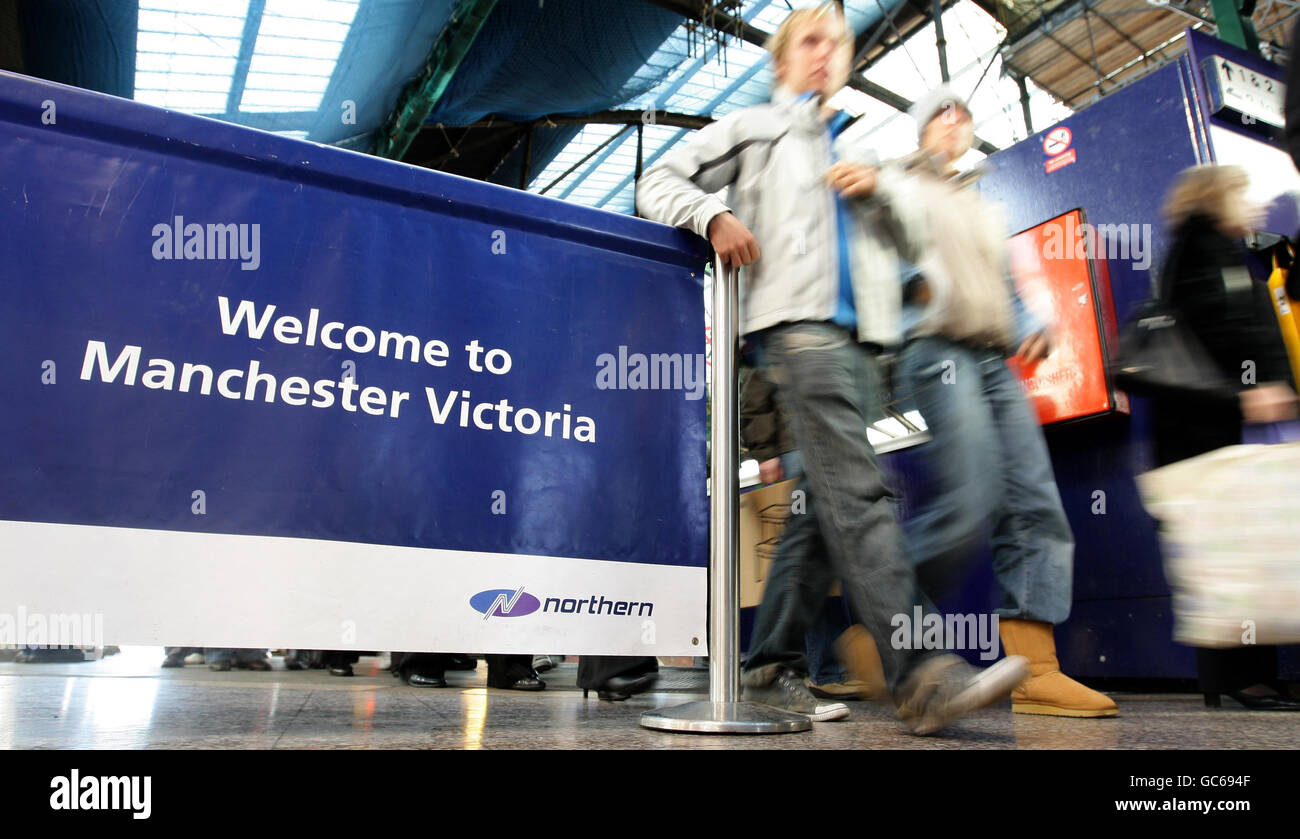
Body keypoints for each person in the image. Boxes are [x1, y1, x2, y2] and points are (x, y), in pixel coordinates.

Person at [636, 2, 1028, 734]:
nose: (825, 53)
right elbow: (658, 178)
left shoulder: (862, 152)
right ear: (781, 60)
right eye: (809, 41)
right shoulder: (754, 128)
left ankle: (769, 662)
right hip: (798, 334)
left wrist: (879, 195)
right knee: (861, 495)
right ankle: (921, 674)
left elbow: (913, 247)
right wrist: (711, 217)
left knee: (822, 510)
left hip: (865, 352)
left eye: (837, 43)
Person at [889, 85, 1118, 718]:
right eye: (940, 111)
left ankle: (1036, 669)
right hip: (937, 351)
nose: (954, 121)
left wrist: (1028, 327)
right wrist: (912, 285)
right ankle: (888, 622)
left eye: (962, 112)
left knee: (1035, 503)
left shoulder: (981, 205)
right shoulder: (897, 188)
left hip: (994, 359)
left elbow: (1006, 288)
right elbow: (880, 262)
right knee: (973, 498)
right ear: (921, 127)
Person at [1151, 164, 1300, 710]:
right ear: (1216, 199)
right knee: (1225, 548)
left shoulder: (1209, 247)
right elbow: (1218, 322)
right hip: (1197, 426)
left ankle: (1237, 675)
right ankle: (1237, 677)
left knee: (1229, 546)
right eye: (1243, 195)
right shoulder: (1199, 247)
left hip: (1204, 424)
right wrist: (1255, 383)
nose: (1253, 207)